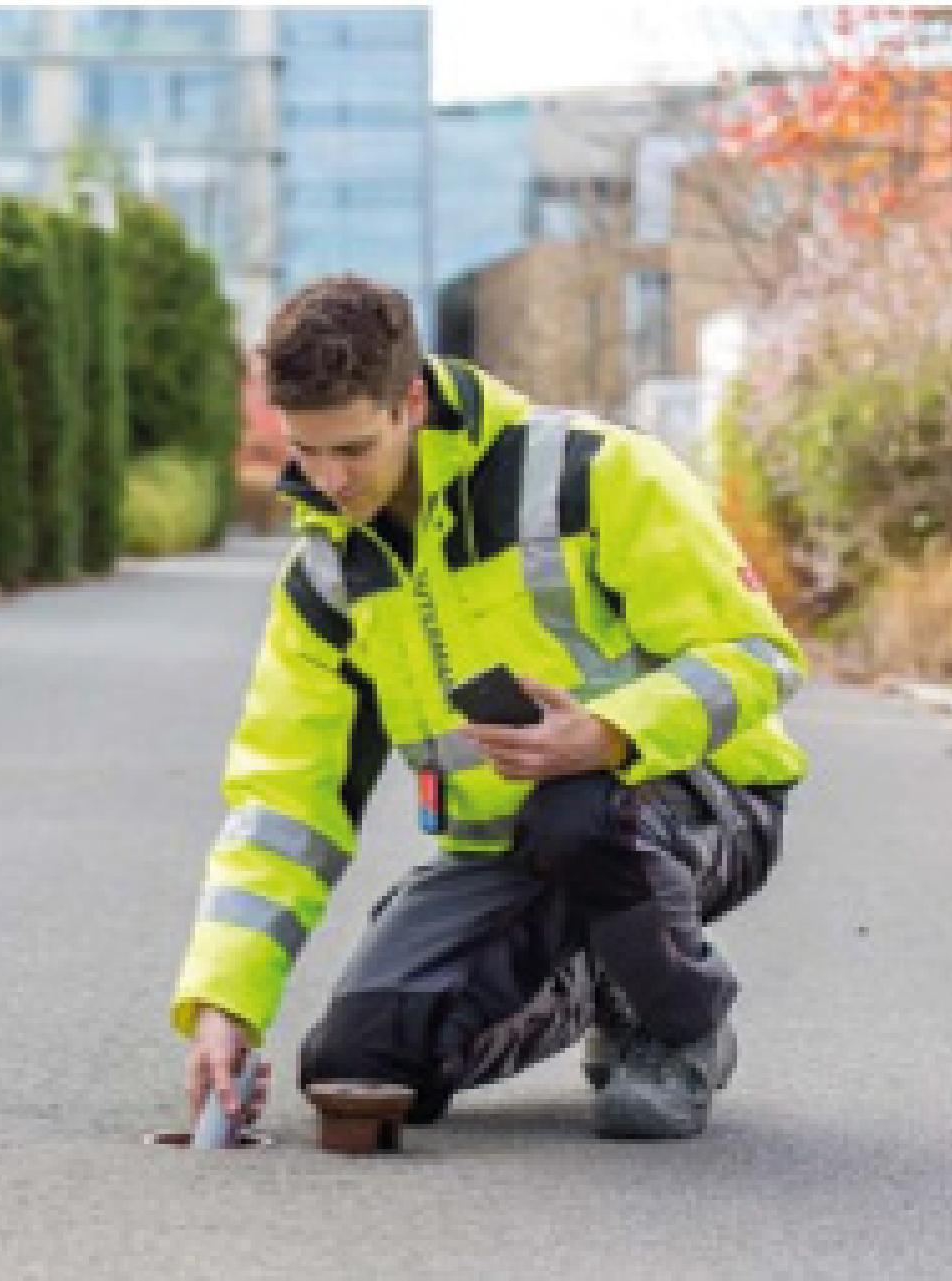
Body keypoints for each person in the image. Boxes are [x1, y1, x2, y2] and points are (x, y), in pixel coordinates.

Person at [171, 274, 807, 1141]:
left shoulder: (591, 472)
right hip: (510, 849)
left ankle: (678, 1023)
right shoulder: (327, 578)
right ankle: (605, 971)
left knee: (581, 811)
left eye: (352, 448)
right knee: (357, 1064)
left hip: (695, 805)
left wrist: (612, 731)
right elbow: (285, 801)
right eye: (305, 451)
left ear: (413, 402)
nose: (327, 479)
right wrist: (225, 1002)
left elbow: (759, 655)